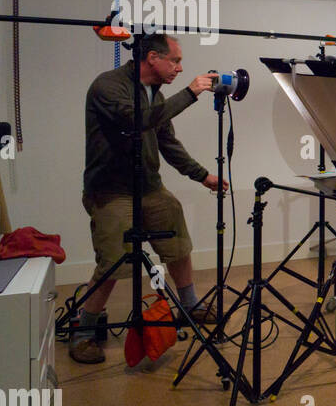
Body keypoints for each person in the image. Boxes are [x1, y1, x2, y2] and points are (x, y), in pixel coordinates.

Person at [69, 34, 226, 364]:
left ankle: (189, 304)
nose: (180, 68)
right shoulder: (108, 87)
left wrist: (203, 176)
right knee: (114, 258)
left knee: (176, 231)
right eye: (175, 61)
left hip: (149, 188)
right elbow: (136, 120)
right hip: (110, 190)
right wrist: (192, 93)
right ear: (152, 57)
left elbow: (167, 143)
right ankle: (84, 330)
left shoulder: (156, 94)